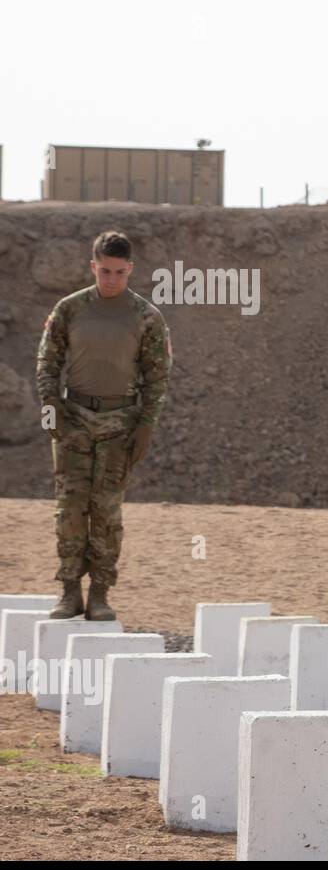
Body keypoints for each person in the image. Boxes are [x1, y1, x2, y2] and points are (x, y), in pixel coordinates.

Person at [35, 231, 172, 621]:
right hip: (73, 419)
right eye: (104, 271)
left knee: (107, 510)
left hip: (120, 422)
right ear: (92, 266)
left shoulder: (146, 316)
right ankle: (68, 592)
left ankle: (99, 593)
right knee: (70, 507)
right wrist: (50, 406)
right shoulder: (70, 309)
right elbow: (47, 361)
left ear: (130, 269)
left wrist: (147, 425)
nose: (111, 279)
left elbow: (157, 376)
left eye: (119, 272)